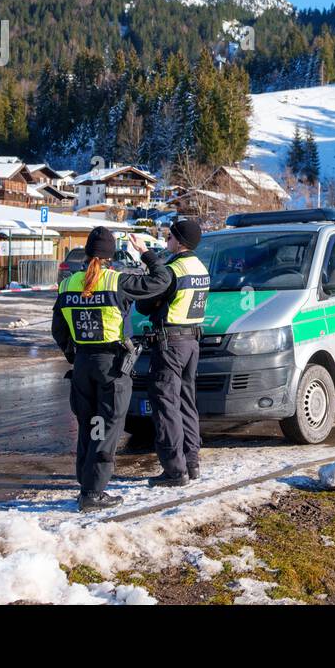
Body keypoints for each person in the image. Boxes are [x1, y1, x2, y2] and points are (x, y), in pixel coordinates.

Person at [52, 226, 173, 512]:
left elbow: (58, 330)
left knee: (90, 426)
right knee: (106, 428)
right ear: (110, 255)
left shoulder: (68, 284)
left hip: (83, 364)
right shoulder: (116, 280)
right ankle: (93, 493)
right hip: (112, 366)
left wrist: (74, 355)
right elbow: (162, 280)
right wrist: (146, 253)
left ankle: (86, 485)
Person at [136, 218, 211, 487]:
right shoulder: (200, 268)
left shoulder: (174, 269)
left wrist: (145, 257)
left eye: (169, 237)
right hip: (192, 342)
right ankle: (192, 463)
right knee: (186, 402)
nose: (166, 241)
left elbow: (145, 305)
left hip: (170, 344)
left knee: (166, 405)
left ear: (179, 241)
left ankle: (174, 471)